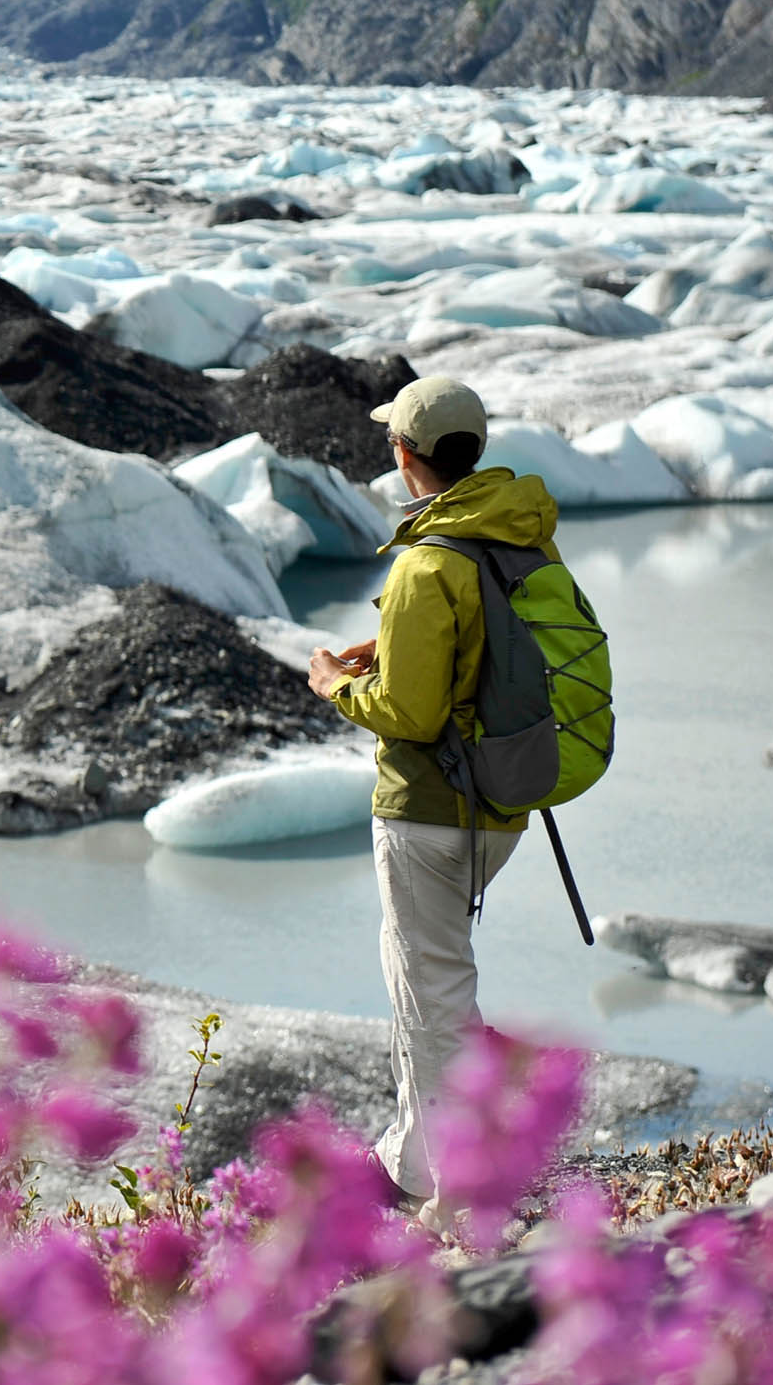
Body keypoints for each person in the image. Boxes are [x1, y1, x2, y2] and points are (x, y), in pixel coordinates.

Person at [304, 375, 563, 1230]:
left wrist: (337, 686)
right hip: (501, 803)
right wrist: (390, 648)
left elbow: (411, 715)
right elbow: (489, 655)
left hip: (427, 811)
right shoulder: (513, 534)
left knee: (432, 994)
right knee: (425, 983)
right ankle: (412, 1163)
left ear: (405, 455)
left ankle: (461, 1193)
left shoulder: (426, 561)